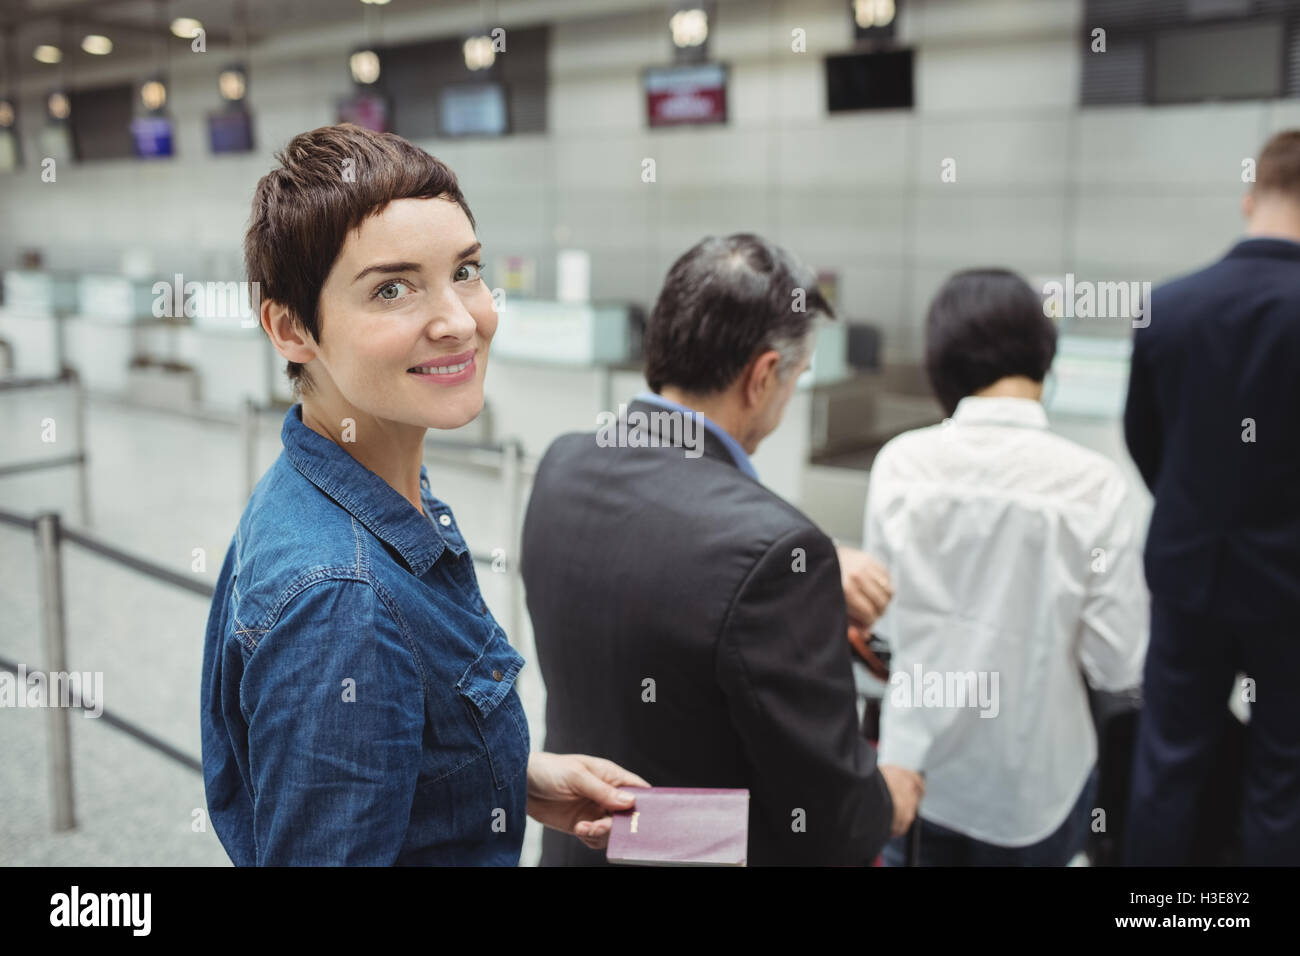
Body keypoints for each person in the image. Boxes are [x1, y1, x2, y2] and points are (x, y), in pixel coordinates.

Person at [200, 124, 647, 866]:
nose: (459, 321)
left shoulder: (339, 482)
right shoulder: (341, 598)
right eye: (393, 289)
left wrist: (512, 780)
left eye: (466, 271)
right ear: (289, 326)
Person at [520, 233, 920, 867]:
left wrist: (801, 591)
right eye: (796, 375)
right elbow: (829, 822)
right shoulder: (776, 550)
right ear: (763, 377)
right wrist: (888, 800)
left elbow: (669, 575)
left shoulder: (563, 465)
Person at [864, 268, 1148, 866]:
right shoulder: (1095, 484)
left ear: (943, 361)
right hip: (1035, 787)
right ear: (1044, 356)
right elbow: (1118, 660)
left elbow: (882, 625)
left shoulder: (901, 465)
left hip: (914, 772)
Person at [1123, 129, 1300, 866]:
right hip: (1293, 589)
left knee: (1167, 761)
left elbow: (1145, 440)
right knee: (1284, 771)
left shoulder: (1168, 307)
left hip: (1188, 574)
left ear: (1250, 195)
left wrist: (1197, 507)